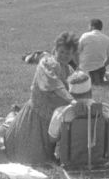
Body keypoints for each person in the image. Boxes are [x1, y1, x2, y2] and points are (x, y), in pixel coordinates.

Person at [4, 32, 77, 164]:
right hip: (37, 114)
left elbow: (75, 87)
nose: (65, 56)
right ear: (55, 50)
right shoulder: (48, 63)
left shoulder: (69, 69)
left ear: (73, 55)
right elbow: (54, 84)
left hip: (54, 115)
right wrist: (71, 100)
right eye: (62, 52)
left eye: (68, 53)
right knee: (31, 157)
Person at [48, 71, 109, 153]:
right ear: (90, 91)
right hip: (100, 158)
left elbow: (52, 139)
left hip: (68, 160)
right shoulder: (105, 110)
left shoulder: (62, 112)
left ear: (70, 93)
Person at [78, 19, 109, 85]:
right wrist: (103, 65)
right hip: (100, 69)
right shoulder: (107, 39)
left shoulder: (85, 36)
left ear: (92, 26)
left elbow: (77, 52)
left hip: (85, 69)